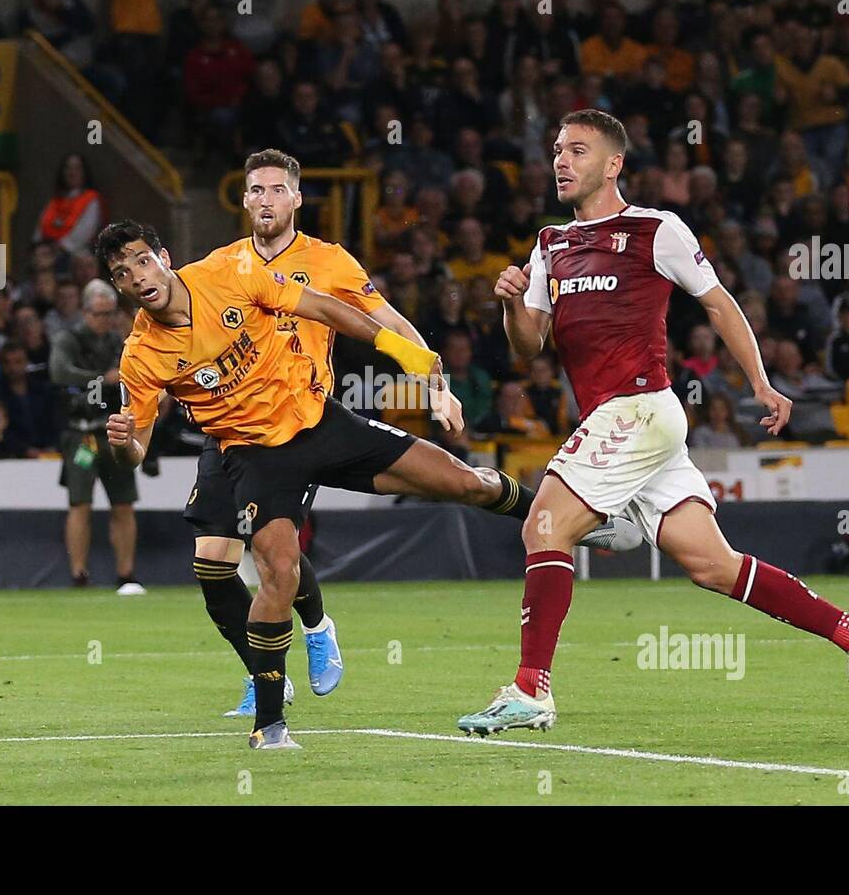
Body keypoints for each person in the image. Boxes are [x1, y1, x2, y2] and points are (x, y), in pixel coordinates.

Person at [100, 217, 630, 750]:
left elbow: (323, 307)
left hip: (323, 424)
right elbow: (136, 449)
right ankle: (269, 725)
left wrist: (401, 350)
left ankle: (575, 524)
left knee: (465, 482)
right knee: (277, 571)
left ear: (163, 257)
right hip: (257, 459)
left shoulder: (229, 272)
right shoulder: (141, 355)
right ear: (119, 286)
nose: (138, 275)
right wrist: (123, 440)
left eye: (143, 260)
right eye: (123, 272)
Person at [458, 110, 849, 738]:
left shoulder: (655, 230)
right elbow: (528, 347)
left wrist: (760, 382)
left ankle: (532, 690)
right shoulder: (549, 244)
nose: (560, 160)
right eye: (557, 150)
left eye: (577, 151)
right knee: (713, 566)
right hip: (625, 424)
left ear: (613, 164)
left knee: (544, 524)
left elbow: (718, 302)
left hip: (639, 407)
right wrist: (510, 304)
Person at [172, 149, 464, 718]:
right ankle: (264, 675)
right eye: (255, 189)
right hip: (230, 425)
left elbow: (389, 322)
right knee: (211, 564)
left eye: (277, 189)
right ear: (245, 199)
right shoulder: (220, 265)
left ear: (297, 199)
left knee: (269, 551)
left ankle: (315, 628)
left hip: (298, 425)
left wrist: (434, 378)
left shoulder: (329, 262)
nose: (265, 199)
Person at [50, 280, 140, 595]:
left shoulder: (120, 342)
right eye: (100, 314)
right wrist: (103, 379)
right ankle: (78, 573)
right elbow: (59, 374)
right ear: (86, 312)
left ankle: (126, 574)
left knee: (124, 503)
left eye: (110, 313)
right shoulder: (68, 339)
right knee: (80, 503)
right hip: (82, 432)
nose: (106, 320)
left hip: (114, 430)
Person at [34, 154, 104, 258]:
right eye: (68, 168)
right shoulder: (55, 200)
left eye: (77, 168)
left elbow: (86, 230)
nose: (72, 172)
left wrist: (61, 246)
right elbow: (41, 227)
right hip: (47, 252)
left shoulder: (91, 199)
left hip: (75, 254)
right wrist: (38, 246)